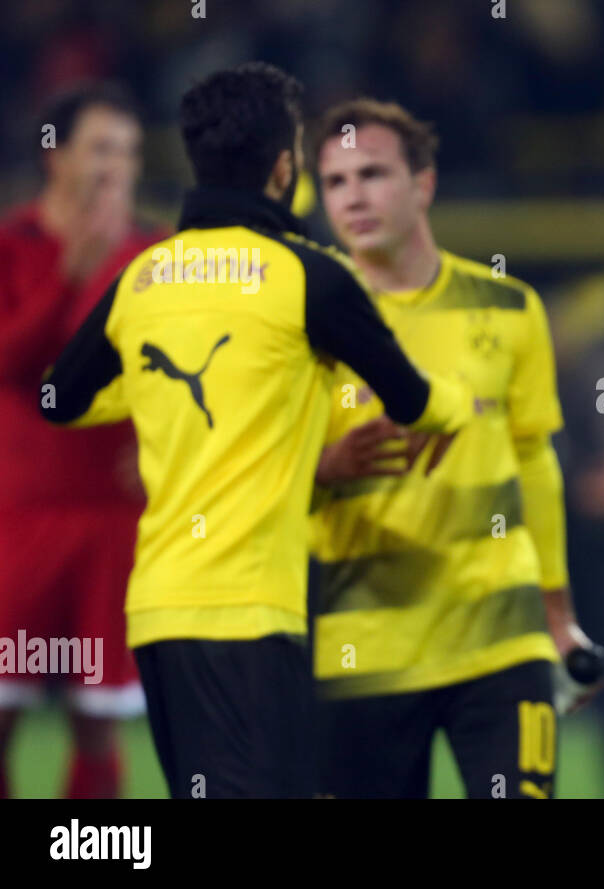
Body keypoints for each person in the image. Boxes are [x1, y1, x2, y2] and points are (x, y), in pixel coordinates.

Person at [40, 63, 472, 799]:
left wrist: (148, 396)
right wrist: (458, 405)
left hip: (156, 612)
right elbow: (408, 398)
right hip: (249, 614)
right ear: (283, 167)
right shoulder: (310, 278)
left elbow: (57, 397)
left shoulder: (143, 279)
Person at [309, 98, 598, 799]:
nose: (354, 196)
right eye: (336, 181)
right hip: (360, 644)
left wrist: (558, 613)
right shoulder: (303, 313)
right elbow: (249, 459)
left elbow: (535, 460)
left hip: (500, 639)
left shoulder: (508, 307)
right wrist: (322, 466)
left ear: (424, 184)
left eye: (373, 173)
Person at [0, 83, 158, 799]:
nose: (113, 166)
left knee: (99, 719)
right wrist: (68, 275)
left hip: (114, 518)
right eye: (99, 147)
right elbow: (10, 363)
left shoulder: (157, 255)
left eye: (126, 150)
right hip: (21, 516)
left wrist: (161, 442)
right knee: (4, 703)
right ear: (54, 156)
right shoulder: (13, 246)